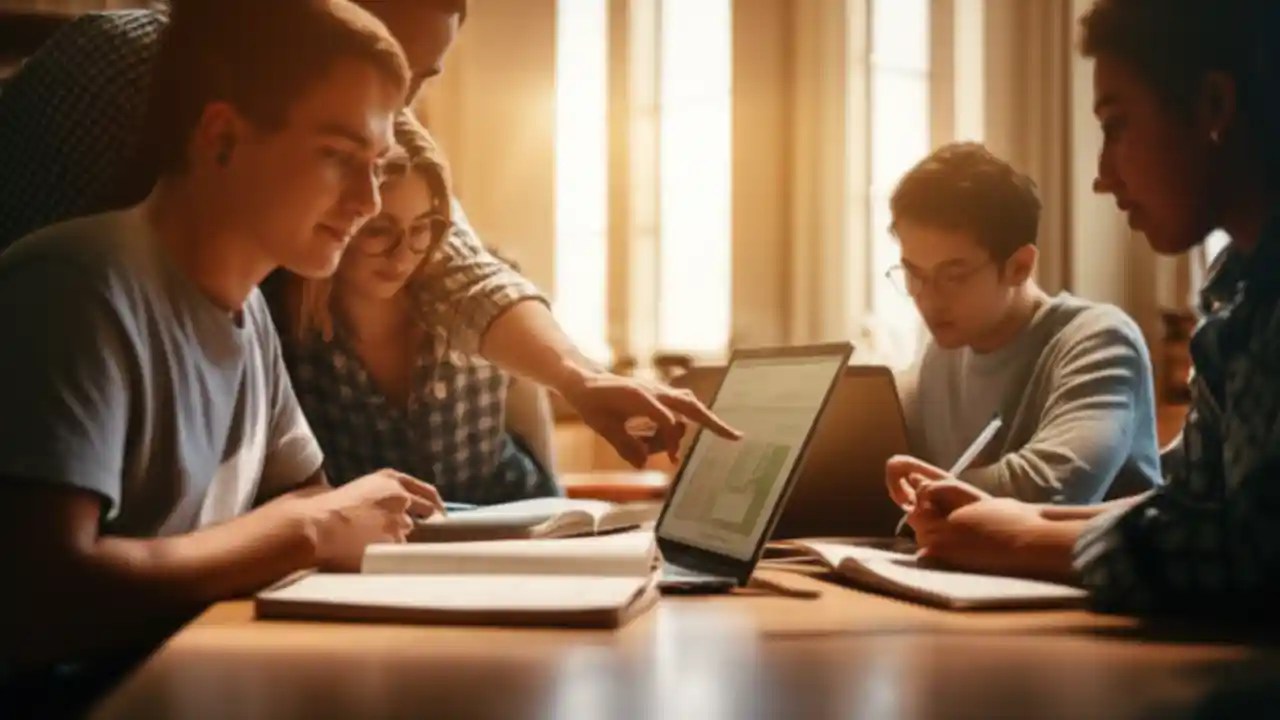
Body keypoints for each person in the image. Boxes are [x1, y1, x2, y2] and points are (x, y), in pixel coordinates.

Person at [0, 0, 736, 473]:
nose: (402, 109)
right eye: (385, 59)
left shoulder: (247, 316)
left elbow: (461, 271)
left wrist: (579, 377)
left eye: (418, 78)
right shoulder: (112, 85)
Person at [0, 0, 444, 671]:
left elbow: (306, 495)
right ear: (221, 138)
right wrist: (303, 531)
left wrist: (307, 524)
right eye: (337, 155)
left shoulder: (249, 313)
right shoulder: (77, 287)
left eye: (376, 165)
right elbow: (44, 591)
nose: (369, 201)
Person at [902, 0, 1280, 615]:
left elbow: (1259, 550)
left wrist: (1030, 538)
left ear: (1213, 105)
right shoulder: (1237, 287)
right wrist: (1018, 517)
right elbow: (1193, 497)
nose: (1102, 176)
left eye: (1116, 126)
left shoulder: (1113, 331)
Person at [284, 113, 559, 503]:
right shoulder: (293, 333)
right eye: (379, 230)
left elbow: (533, 433)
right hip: (382, 550)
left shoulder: (476, 303)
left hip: (512, 525)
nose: (402, 254)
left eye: (421, 228)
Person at [885, 142, 1161, 506]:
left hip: (1083, 563)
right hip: (967, 562)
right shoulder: (938, 355)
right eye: (913, 274)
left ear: (1020, 266)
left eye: (953, 276)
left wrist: (917, 492)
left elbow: (1052, 487)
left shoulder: (1100, 341)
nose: (927, 299)